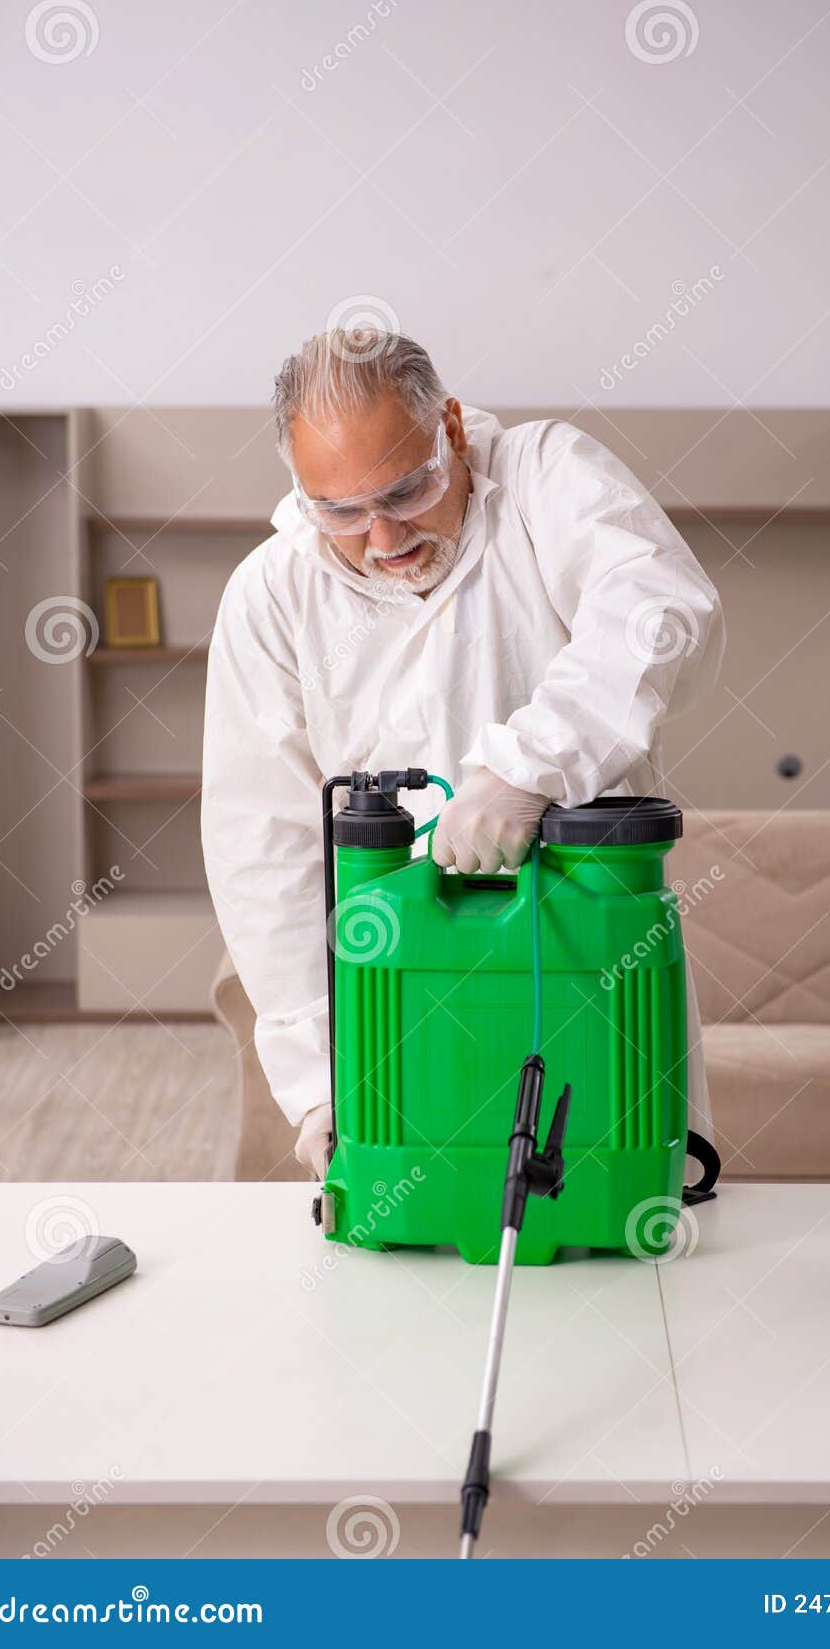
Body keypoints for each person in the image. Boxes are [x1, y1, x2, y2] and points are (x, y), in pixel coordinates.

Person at [201, 329, 725, 1178]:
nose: (382, 538)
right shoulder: (271, 596)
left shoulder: (545, 478)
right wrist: (320, 1079)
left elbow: (657, 608)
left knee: (609, 1226)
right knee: (415, 1250)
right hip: (395, 983)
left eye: (406, 492)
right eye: (337, 510)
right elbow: (261, 849)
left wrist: (532, 767)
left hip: (582, 949)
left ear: (449, 426)